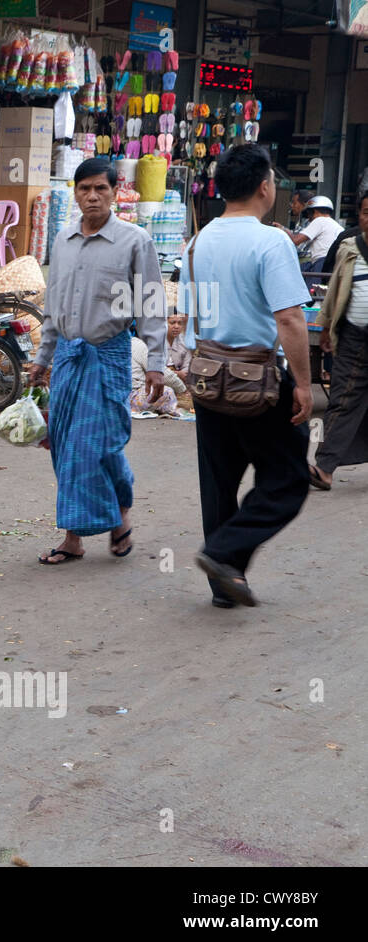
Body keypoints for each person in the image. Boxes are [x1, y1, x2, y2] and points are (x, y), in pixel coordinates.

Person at [183, 143, 312, 608]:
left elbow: (190, 318)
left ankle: (224, 584)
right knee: (289, 478)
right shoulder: (270, 240)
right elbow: (291, 319)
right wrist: (302, 383)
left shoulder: (198, 242)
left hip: (207, 377)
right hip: (255, 380)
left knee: (218, 483)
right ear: (264, 186)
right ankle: (221, 553)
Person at [27, 157, 166, 565]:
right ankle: (73, 538)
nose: (92, 196)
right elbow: (53, 306)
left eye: (100, 189)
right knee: (67, 447)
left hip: (109, 356)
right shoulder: (62, 240)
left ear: (114, 192)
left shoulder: (134, 240)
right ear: (75, 192)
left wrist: (156, 360)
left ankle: (119, 515)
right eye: (84, 188)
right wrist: (42, 357)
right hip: (69, 356)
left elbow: (152, 303)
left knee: (102, 446)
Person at [310, 191, 368, 490]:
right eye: (366, 212)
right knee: (342, 400)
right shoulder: (350, 248)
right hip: (353, 338)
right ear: (359, 216)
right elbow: (334, 291)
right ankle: (324, 468)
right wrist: (326, 327)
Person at [275, 195, 342, 272]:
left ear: (315, 211)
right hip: (334, 265)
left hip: (321, 263)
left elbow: (295, 240)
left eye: (309, 214)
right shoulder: (336, 225)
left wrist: (283, 229)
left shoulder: (319, 220)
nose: (309, 219)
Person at [130, 334, 184, 416]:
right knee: (167, 392)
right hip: (131, 396)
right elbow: (164, 374)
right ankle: (171, 410)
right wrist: (183, 390)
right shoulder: (136, 344)